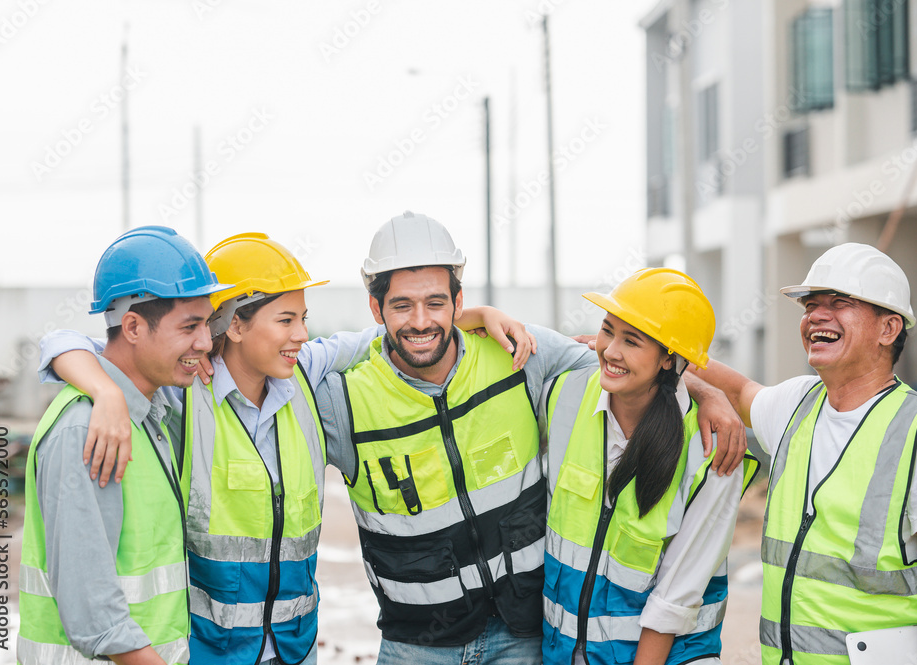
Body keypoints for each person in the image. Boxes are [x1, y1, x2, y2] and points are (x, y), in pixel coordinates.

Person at [38, 232, 533, 665]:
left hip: (295, 650)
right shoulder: (184, 394)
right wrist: (103, 391)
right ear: (232, 325)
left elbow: (389, 335)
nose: (301, 334)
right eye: (286, 320)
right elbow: (74, 343)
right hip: (211, 653)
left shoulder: (305, 378)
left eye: (304, 319)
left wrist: (475, 314)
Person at [313, 211, 749, 664]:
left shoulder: (520, 359)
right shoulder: (343, 400)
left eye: (436, 302)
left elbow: (629, 370)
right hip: (416, 646)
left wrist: (703, 389)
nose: (420, 321)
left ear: (458, 302)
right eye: (402, 305)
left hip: (521, 639)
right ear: (376, 308)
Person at [689, 243, 917, 665]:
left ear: (888, 329)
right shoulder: (797, 403)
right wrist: (654, 354)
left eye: (839, 303)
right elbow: (735, 389)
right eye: (810, 305)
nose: (815, 316)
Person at [19, 226, 231, 665]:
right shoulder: (85, 430)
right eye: (189, 327)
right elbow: (95, 616)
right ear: (132, 326)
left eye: (206, 325)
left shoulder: (147, 409)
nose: (205, 343)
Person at [540, 268, 759, 665]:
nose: (610, 351)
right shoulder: (564, 393)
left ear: (668, 358)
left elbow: (676, 595)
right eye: (607, 330)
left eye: (632, 341)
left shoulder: (711, 449)